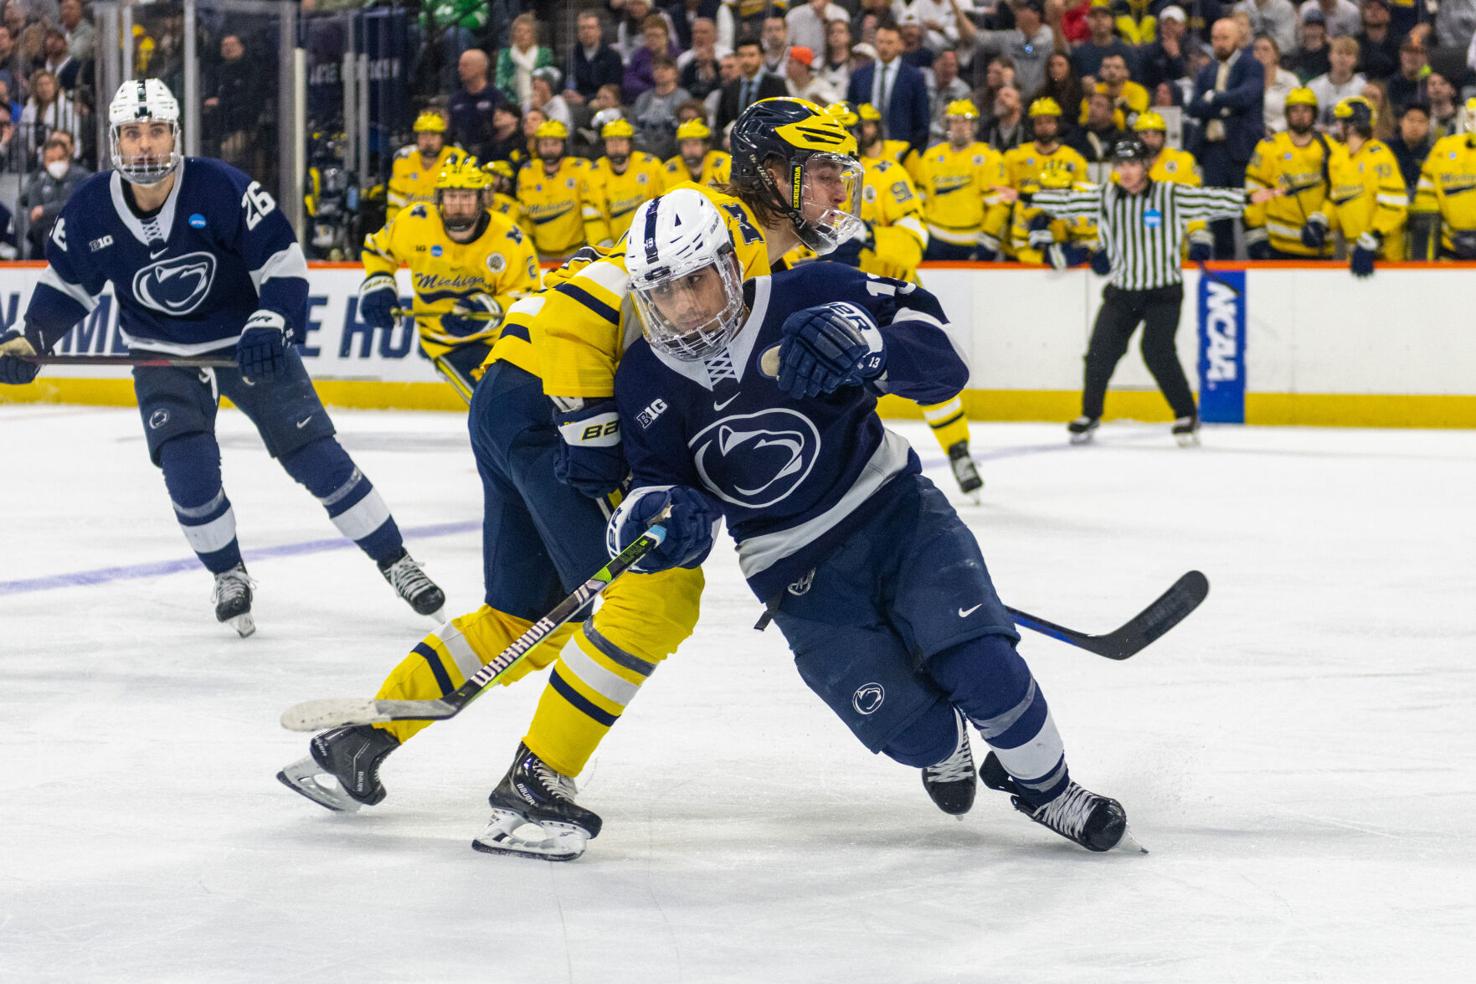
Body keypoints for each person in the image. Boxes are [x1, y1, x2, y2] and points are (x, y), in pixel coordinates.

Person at [279, 98, 870, 860]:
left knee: (523, 615)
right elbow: (579, 306)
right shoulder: (728, 232)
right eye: (820, 175)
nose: (836, 192)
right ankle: (535, 786)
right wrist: (591, 438)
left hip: (512, 394)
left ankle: (357, 742)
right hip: (545, 398)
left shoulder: (746, 240)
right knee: (656, 593)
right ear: (773, 176)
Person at [607, 188, 1137, 853]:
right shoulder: (639, 380)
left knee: (984, 667)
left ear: (728, 265)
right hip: (788, 565)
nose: (681, 304)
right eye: (662, 290)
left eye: (695, 279)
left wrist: (876, 347)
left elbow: (945, 363)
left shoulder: (810, 292)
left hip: (894, 510)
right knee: (916, 734)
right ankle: (948, 748)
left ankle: (1051, 792)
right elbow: (661, 486)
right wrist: (657, 520)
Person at [0, 79, 446, 636]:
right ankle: (228, 572)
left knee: (317, 459)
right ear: (116, 140)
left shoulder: (223, 188)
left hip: (247, 346)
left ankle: (397, 561)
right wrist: (32, 339)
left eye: (156, 131)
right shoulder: (90, 208)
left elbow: (284, 264)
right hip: (163, 356)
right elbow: (67, 289)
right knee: (188, 476)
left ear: (175, 135)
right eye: (133, 134)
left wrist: (271, 319)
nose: (145, 146)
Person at [1031, 136, 1278, 444]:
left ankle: (1186, 414)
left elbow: (1208, 200)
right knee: (1099, 354)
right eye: (1121, 165)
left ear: (1145, 166)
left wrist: (1249, 198)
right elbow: (1070, 201)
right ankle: (1090, 414)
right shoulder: (1105, 196)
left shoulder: (1168, 195)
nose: (1127, 171)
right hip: (1123, 291)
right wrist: (1023, 197)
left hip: (1163, 291)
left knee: (1157, 351)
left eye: (1133, 164)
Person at [828, 99, 985, 497]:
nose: (841, 141)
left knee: (930, 373)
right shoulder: (807, 185)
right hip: (838, 303)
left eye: (847, 131)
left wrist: (870, 237)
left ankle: (959, 449)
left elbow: (915, 242)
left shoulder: (885, 174)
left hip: (891, 297)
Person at [359, 157, 539, 403]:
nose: (458, 205)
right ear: (439, 198)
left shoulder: (510, 238)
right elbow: (377, 250)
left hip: (502, 340)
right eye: (451, 196)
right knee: (495, 406)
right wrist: (379, 284)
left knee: (533, 403)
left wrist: (485, 312)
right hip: (447, 344)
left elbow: (528, 298)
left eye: (466, 197)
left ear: (481, 199)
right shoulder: (415, 221)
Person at [1188, 17, 1265, 257]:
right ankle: (1223, 269)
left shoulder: (1251, 65)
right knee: (1218, 218)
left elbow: (1246, 97)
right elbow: (1194, 107)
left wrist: (1214, 98)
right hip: (1213, 152)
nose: (1219, 43)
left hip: (1242, 151)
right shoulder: (1206, 70)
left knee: (1249, 215)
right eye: (1215, 38)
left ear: (1238, 39)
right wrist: (1224, 105)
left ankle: (1260, 269)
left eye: (1225, 38)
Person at [1310, 95, 1406, 276]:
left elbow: (1395, 205)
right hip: (1354, 254)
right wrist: (1321, 221)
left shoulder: (1380, 156)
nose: (1337, 127)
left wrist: (1373, 237)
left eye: (1341, 122)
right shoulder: (1338, 158)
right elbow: (1337, 198)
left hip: (1385, 256)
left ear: (1353, 126)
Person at [913, 98, 1012, 262]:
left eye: (965, 121)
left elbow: (999, 205)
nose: (960, 126)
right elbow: (919, 200)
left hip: (972, 241)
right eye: (954, 121)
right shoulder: (932, 156)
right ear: (947, 126)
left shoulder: (989, 157)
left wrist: (988, 240)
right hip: (935, 238)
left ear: (974, 125)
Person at [1243, 86, 1335, 258]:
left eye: (1306, 110)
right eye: (1295, 110)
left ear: (1314, 113)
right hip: (1278, 246)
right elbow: (1254, 188)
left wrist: (1323, 219)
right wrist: (1255, 230)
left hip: (1318, 244)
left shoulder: (1330, 148)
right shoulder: (1269, 147)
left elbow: (1337, 192)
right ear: (1286, 113)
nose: (1300, 115)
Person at [1003, 97, 1092, 261]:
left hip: (1061, 238)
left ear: (1057, 124)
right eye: (1039, 123)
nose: (1044, 127)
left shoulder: (1074, 159)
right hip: (1018, 238)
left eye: (1049, 122)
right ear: (1032, 126)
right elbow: (1004, 197)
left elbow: (1082, 201)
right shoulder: (1014, 156)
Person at [515, 118, 609, 261]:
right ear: (537, 145)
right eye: (544, 144)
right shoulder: (527, 171)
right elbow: (524, 216)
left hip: (576, 252)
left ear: (564, 145)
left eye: (555, 143)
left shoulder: (581, 168)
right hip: (541, 254)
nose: (549, 149)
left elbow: (595, 209)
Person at [1130, 110, 1214, 262]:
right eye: (1144, 134)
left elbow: (1193, 204)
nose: (1150, 139)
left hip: (1174, 252)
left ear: (1164, 137)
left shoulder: (1182, 161)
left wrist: (1200, 237)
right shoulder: (1124, 167)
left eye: (1155, 134)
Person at [846, 24, 932, 155]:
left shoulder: (915, 77)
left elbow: (922, 122)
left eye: (889, 42)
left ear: (900, 45)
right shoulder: (859, 75)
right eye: (880, 42)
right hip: (864, 150)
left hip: (901, 150)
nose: (884, 47)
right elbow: (850, 113)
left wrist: (911, 153)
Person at [1411, 98, 1476, 259]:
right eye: (1472, 117)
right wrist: (1424, 257)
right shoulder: (1444, 149)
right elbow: (1425, 201)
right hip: (1451, 246)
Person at [589, 115, 667, 240]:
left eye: (621, 140)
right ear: (604, 145)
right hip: (611, 247)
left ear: (630, 143)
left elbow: (662, 206)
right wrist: (603, 245)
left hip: (647, 241)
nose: (616, 145)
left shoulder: (651, 165)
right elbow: (592, 214)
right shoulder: (593, 171)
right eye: (611, 141)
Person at [387, 111, 463, 223]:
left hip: (445, 226)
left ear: (443, 138)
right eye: (423, 135)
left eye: (434, 135)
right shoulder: (403, 161)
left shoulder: (457, 159)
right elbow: (394, 203)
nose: (428, 140)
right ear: (416, 138)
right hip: (410, 225)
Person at [714, 38, 788, 132]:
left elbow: (783, 119)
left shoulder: (776, 85)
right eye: (742, 55)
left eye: (751, 55)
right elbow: (720, 123)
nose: (746, 60)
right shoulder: (730, 87)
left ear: (762, 57)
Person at [448, 49, 506, 161]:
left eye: (465, 66)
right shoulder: (455, 100)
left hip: (490, 157)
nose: (460, 69)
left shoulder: (496, 97)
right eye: (459, 65)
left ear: (481, 68)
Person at [565, 10, 623, 105]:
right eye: (582, 28)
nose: (586, 32)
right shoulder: (571, 57)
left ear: (599, 31)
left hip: (601, 103)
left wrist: (585, 99)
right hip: (574, 104)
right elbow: (563, 84)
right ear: (578, 33)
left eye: (591, 28)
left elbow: (613, 88)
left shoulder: (613, 57)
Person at [1072, 0, 1141, 79]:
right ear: (1088, 22)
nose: (1099, 20)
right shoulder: (1080, 53)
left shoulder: (1127, 52)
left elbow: (1137, 81)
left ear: (1113, 21)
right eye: (1094, 16)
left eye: (1104, 16)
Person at [496, 13, 553, 106]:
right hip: (512, 105)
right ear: (513, 34)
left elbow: (547, 83)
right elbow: (500, 85)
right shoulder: (505, 55)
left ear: (534, 35)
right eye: (518, 31)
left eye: (527, 31)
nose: (522, 34)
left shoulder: (545, 54)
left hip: (539, 103)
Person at [1307, 36, 1366, 125]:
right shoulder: (1313, 87)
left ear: (1355, 60)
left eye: (1348, 54)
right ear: (1330, 56)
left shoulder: (1363, 88)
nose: (1343, 57)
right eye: (1339, 53)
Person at [662, 117, 731, 190]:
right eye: (685, 144)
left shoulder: (725, 163)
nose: (690, 149)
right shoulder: (667, 169)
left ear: (706, 145)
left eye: (695, 143)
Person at [1255, 33, 1301, 132]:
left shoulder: (1290, 80)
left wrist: (1272, 128)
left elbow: (1297, 110)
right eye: (1256, 49)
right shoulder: (1248, 80)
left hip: (1283, 134)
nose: (1260, 53)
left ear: (1275, 55)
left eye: (1265, 49)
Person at [1139, 5, 1191, 91]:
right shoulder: (1150, 50)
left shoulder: (1192, 46)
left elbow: (1190, 75)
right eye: (1165, 24)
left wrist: (1176, 56)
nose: (1169, 27)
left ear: (1183, 26)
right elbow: (1145, 77)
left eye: (1174, 23)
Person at [1387, 100, 1431, 195]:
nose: (1415, 125)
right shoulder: (1386, 149)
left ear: (1428, 126)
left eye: (1421, 121)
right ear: (1401, 122)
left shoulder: (1432, 154)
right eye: (1411, 120)